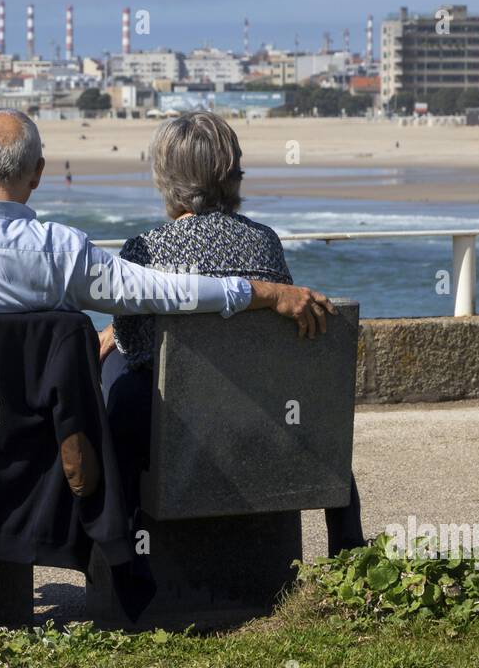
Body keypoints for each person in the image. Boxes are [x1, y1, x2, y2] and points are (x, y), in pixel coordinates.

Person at [0, 109, 334, 354]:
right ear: (37, 173)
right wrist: (262, 292)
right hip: (11, 451)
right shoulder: (59, 252)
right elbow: (166, 292)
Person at [97, 111, 365, 555]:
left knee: (116, 369)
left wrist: (112, 339)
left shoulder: (147, 248)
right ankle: (350, 551)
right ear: (231, 174)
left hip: (178, 427)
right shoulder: (266, 243)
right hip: (256, 419)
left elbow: (135, 343)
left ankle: (118, 544)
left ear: (166, 177)